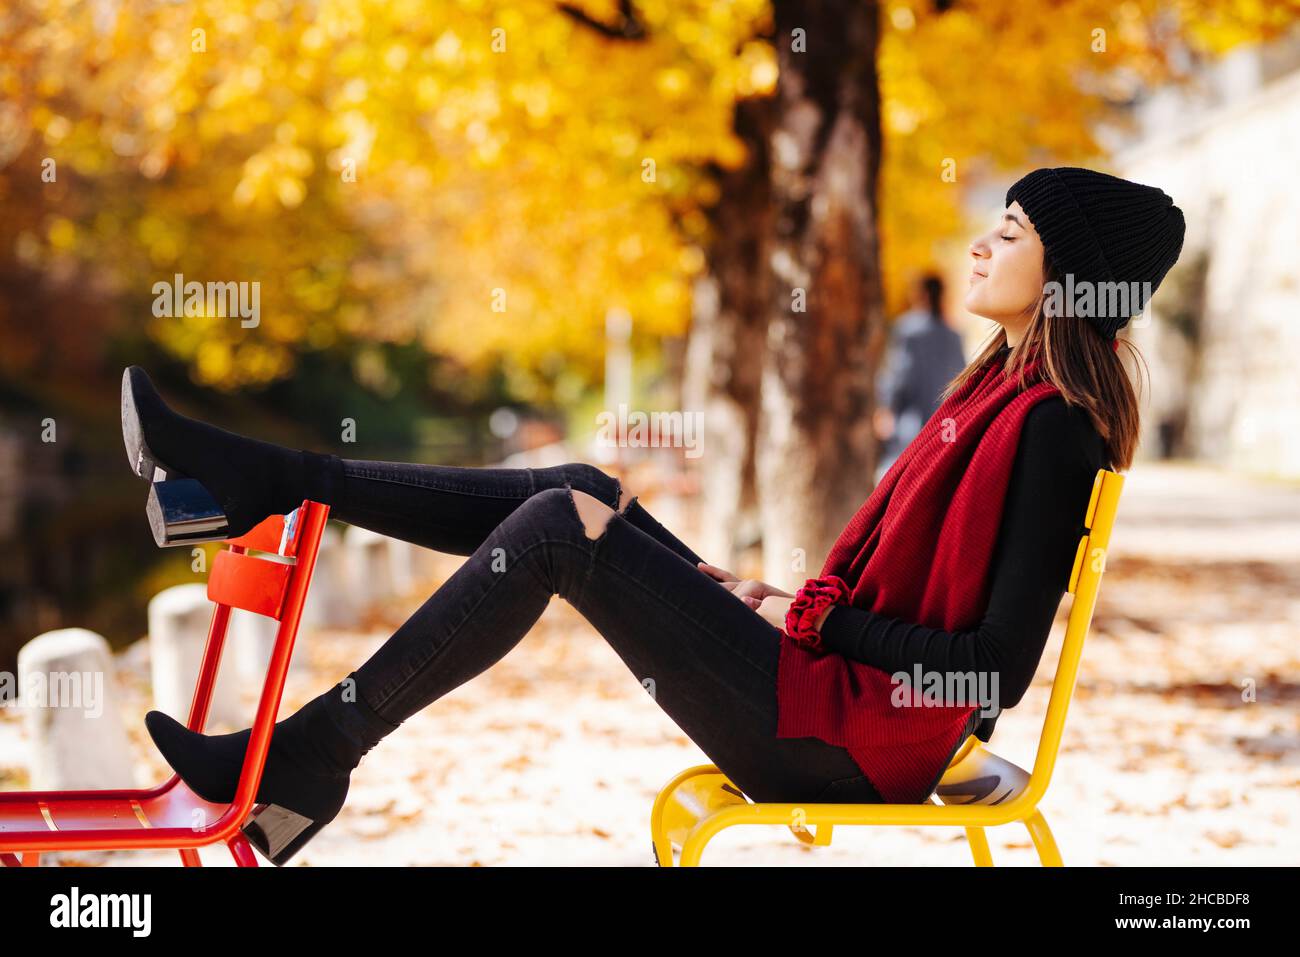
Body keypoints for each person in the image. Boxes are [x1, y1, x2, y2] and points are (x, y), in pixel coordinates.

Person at [128, 166, 1185, 865]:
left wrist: (809, 625)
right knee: (584, 491)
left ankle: (312, 752)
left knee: (555, 531)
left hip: (848, 737)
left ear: (1069, 276)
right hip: (833, 689)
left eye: (1007, 232)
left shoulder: (1049, 425)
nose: (976, 249)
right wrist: (791, 609)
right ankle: (277, 482)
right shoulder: (992, 394)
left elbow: (992, 672)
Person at [873, 273, 968, 481]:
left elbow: (899, 374)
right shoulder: (954, 335)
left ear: (921, 294)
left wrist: (887, 406)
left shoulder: (908, 330)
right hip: (943, 423)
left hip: (910, 421)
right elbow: (961, 376)